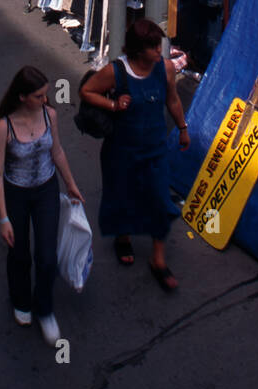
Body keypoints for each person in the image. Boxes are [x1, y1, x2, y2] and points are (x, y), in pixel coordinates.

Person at [80, 18, 190, 291]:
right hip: (121, 150)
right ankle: (123, 237)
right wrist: (113, 104)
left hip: (154, 150)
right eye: (154, 47)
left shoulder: (165, 69)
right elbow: (87, 90)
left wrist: (183, 128)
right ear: (139, 49)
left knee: (160, 200)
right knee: (122, 196)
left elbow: (173, 100)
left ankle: (158, 260)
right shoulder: (116, 71)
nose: (159, 51)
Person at [0, 66, 83, 343]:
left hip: (45, 190)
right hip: (16, 193)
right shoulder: (3, 126)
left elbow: (57, 151)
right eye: (39, 96)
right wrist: (3, 217)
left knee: (47, 256)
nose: (46, 100)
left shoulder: (50, 115)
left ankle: (44, 308)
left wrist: (70, 183)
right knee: (19, 254)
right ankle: (21, 300)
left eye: (46, 94)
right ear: (21, 97)